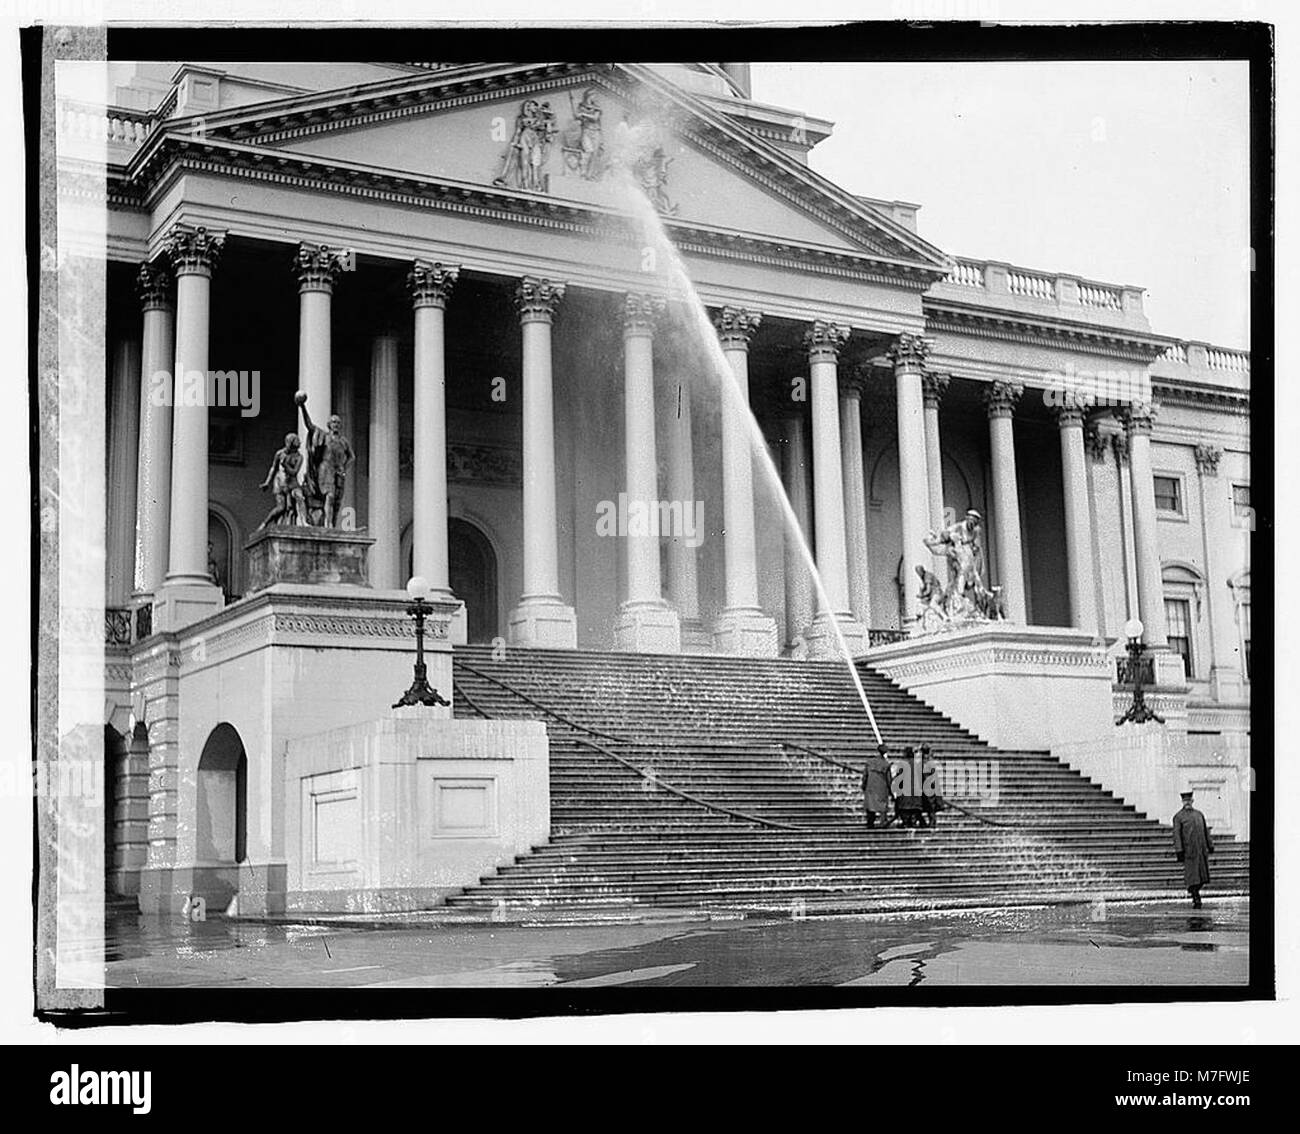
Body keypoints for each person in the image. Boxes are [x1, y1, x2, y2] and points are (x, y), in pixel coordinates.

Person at [297, 393, 354, 528]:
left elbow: (352, 457)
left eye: (338, 423)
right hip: (325, 469)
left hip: (337, 472)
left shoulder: (343, 442)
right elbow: (309, 425)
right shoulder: (323, 436)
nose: (336, 424)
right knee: (330, 496)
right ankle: (328, 525)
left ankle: (331, 524)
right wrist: (302, 407)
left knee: (337, 502)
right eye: (334, 422)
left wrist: (344, 468)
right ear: (329, 425)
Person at [1172, 790, 1214, 908]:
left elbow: (1206, 831)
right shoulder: (1178, 817)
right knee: (1192, 876)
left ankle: (1195, 892)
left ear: (1192, 801)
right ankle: (1195, 896)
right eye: (1185, 801)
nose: (1187, 803)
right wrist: (1179, 850)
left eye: (1189, 800)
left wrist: (1209, 845)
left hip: (1201, 850)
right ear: (1182, 802)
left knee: (1202, 876)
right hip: (1189, 851)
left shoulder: (1199, 814)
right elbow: (1177, 835)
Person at [257, 432, 307, 529]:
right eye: (296, 441)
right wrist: (267, 482)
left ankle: (304, 522)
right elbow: (273, 468)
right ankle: (264, 523)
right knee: (281, 508)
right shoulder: (279, 453)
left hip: (292, 482)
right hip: (280, 481)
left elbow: (294, 472)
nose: (299, 443)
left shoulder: (299, 457)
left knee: (300, 496)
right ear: (291, 442)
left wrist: (285, 465)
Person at [861, 744, 894, 829]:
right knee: (882, 807)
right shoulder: (886, 764)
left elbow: (865, 776)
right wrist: (891, 791)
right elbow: (889, 779)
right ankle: (883, 822)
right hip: (882, 788)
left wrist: (864, 785)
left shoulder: (870, 762)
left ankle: (870, 822)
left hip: (871, 787)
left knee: (870, 805)